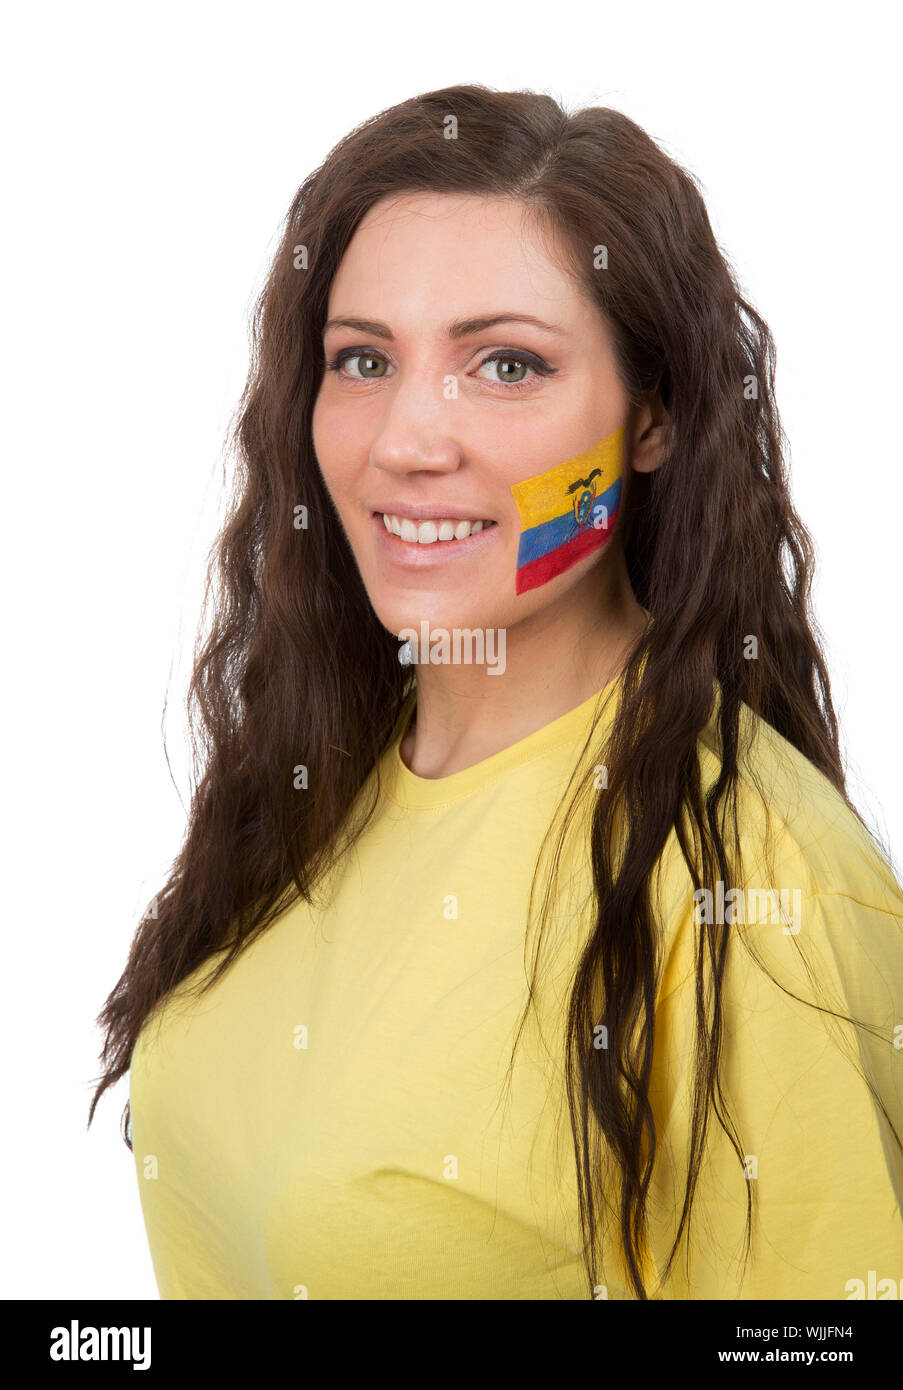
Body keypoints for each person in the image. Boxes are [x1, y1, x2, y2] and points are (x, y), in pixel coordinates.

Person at [89, 83, 903, 1301]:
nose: (407, 438)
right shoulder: (312, 781)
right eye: (363, 359)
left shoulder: (749, 874)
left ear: (655, 417)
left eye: (507, 363)